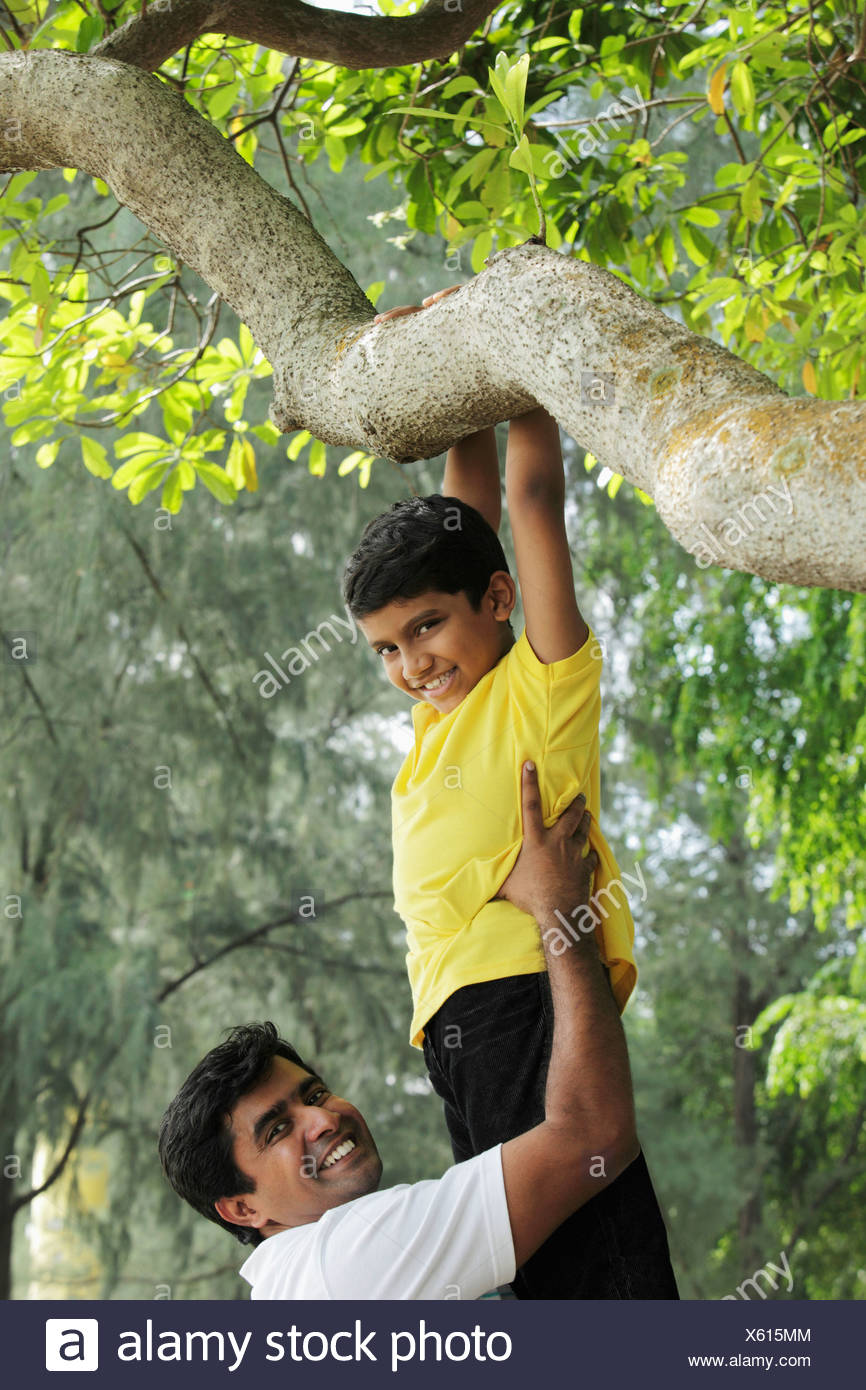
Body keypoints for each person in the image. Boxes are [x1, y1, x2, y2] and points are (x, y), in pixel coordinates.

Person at [341, 284, 677, 1298]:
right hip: (455, 1033)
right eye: (387, 649)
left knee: (592, 1266)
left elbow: (521, 505)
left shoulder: (540, 688)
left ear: (497, 601)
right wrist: (456, 364)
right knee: (531, 1273)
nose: (409, 664)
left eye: (427, 629)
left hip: (529, 1006)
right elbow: (466, 513)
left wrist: (515, 338)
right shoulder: (436, 710)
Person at [159, 769, 640, 1300]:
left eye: (314, 1094)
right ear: (242, 1209)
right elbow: (595, 1135)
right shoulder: (340, 1263)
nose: (322, 1119)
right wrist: (562, 912)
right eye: (275, 1130)